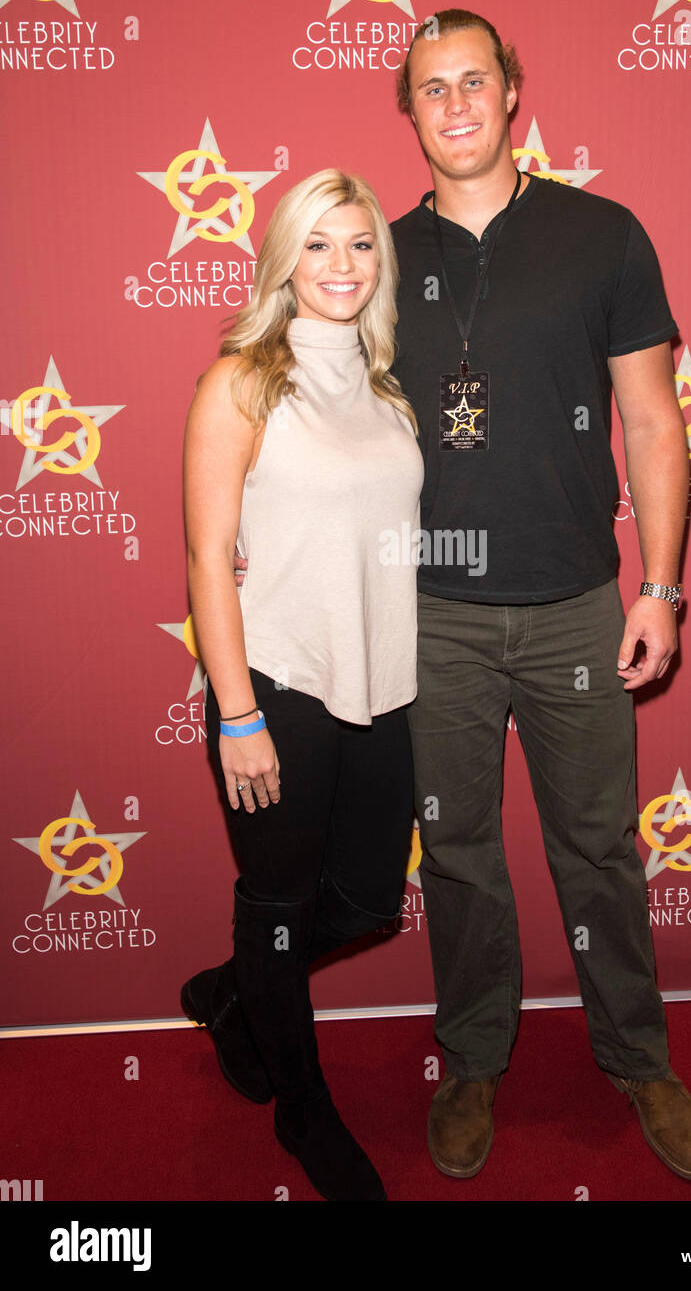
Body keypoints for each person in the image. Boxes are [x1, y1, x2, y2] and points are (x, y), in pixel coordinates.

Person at [386, 9, 691, 1184]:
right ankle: (474, 1056)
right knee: (458, 851)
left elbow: (650, 421)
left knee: (597, 849)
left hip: (581, 604)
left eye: (476, 80)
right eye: (432, 88)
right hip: (432, 618)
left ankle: (637, 1057)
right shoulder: (369, 261)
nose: (457, 103)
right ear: (408, 111)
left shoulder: (601, 233)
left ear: (512, 93)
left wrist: (660, 586)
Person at [179, 168, 423, 1202]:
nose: (340, 265)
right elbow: (205, 558)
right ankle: (303, 1108)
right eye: (317, 244)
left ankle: (235, 991)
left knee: (368, 902)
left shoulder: (385, 387)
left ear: (381, 261)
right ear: (284, 258)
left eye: (359, 244)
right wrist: (237, 714)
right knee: (278, 903)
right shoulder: (241, 378)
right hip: (278, 688)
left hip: (386, 688)